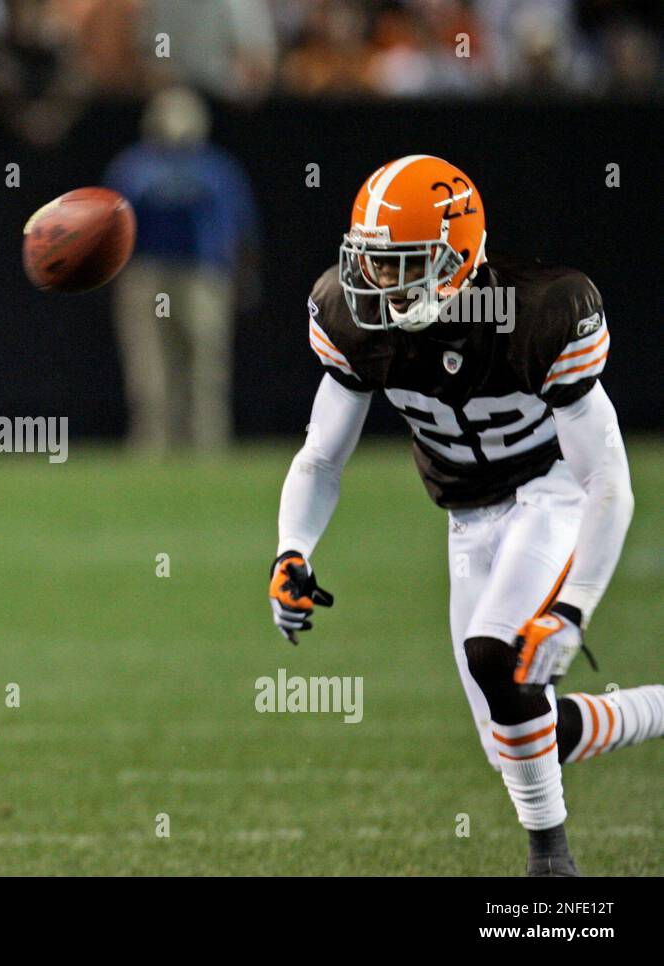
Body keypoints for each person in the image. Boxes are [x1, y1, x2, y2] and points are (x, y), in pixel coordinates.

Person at [269, 155, 662, 876]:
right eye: (372, 264)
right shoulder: (352, 322)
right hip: (466, 517)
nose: (379, 284)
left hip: (550, 495)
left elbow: (607, 478)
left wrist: (572, 608)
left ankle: (552, 863)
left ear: (456, 256)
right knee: (515, 733)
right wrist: (291, 551)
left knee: (493, 655)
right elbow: (320, 458)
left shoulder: (542, 312)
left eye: (401, 264)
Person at [106, 86, 258, 452]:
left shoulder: (216, 168)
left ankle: (208, 445)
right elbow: (109, 230)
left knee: (206, 365)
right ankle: (152, 445)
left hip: (202, 277)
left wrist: (243, 278)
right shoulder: (133, 167)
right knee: (149, 368)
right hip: (147, 277)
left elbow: (241, 230)